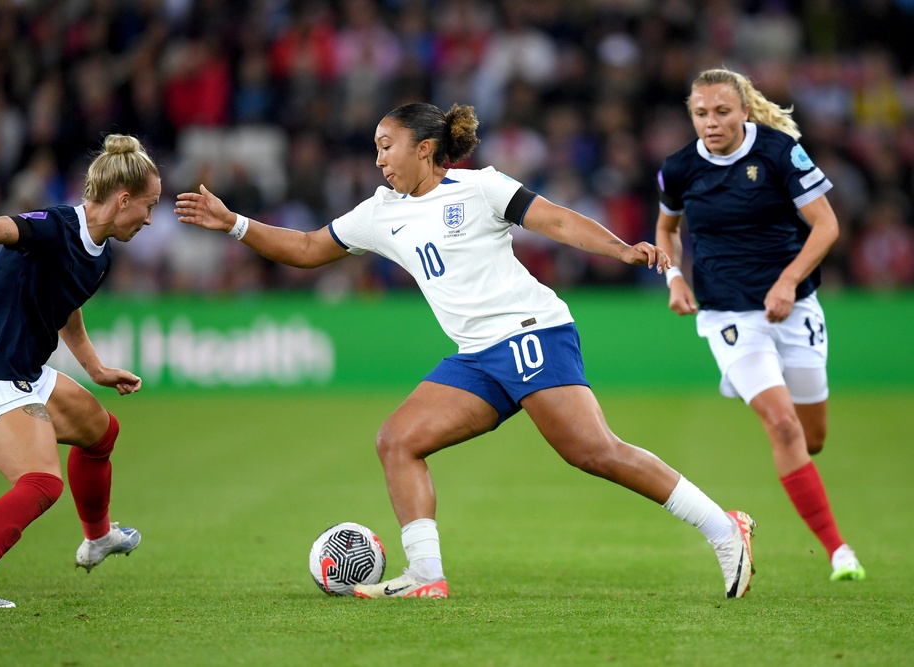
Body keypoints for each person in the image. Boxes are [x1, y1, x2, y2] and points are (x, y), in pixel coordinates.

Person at [176, 102, 756, 599]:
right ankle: (426, 575)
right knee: (398, 440)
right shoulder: (381, 212)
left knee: (592, 451)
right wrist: (235, 225)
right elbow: (306, 248)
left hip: (530, 332)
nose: (378, 160)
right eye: (375, 149)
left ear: (424, 148)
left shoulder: (480, 187)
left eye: (386, 146)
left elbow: (554, 220)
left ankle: (724, 528)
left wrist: (620, 249)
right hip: (477, 354)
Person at [0, 134, 161, 609]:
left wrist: (95, 368)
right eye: (149, 205)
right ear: (123, 200)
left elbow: (65, 307)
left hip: (25, 370)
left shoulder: (101, 255)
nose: (150, 218)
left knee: (101, 431)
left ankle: (98, 538)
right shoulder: (55, 226)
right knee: (42, 482)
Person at [654, 68, 865, 582]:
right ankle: (838, 550)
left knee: (812, 438)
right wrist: (675, 278)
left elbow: (826, 225)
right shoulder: (679, 168)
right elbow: (666, 228)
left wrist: (788, 282)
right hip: (728, 316)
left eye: (722, 112)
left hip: (795, 308)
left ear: (745, 111)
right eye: (701, 113)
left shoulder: (778, 153)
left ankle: (791, 448)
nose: (711, 122)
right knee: (783, 424)